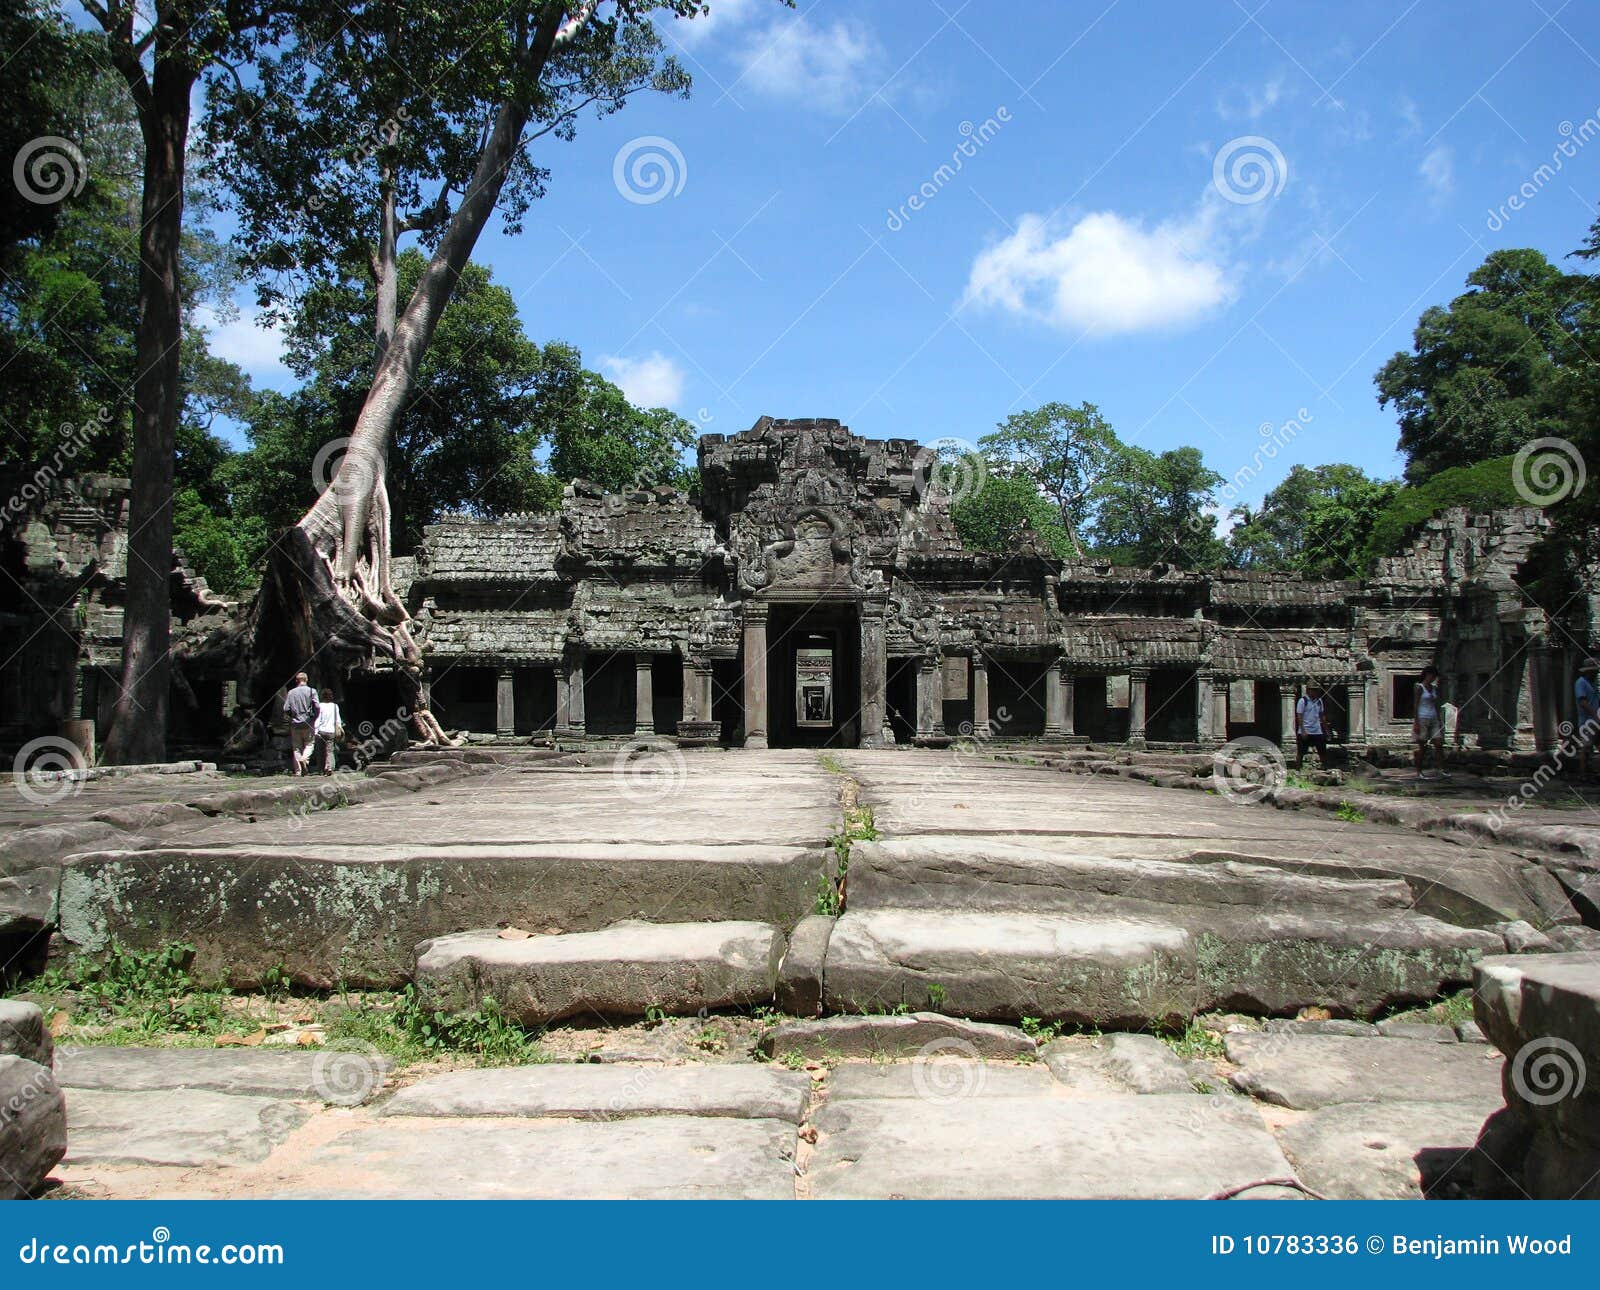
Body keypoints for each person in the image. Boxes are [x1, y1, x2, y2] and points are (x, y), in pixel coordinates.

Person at [1413, 665, 1447, 781]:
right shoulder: (1419, 687)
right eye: (1432, 676)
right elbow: (1416, 705)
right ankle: (1419, 771)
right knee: (1423, 747)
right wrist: (1416, 723)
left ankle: (1441, 769)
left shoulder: (1433, 688)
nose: (1433, 678)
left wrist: (1440, 720)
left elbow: (1436, 705)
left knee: (1438, 744)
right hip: (1422, 718)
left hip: (1433, 718)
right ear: (1427, 675)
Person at [283, 672, 320, 777]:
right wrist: (315, 717)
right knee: (309, 744)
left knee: (296, 747)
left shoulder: (291, 692)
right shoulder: (312, 691)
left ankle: (298, 771)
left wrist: (292, 716)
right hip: (308, 722)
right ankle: (304, 759)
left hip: (295, 723)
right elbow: (317, 706)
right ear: (306, 680)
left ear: (296, 681)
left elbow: (286, 708)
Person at [1294, 682, 1328, 770]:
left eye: (1316, 690)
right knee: (1301, 752)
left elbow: (1321, 716)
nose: (1315, 692)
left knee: (1322, 751)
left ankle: (1324, 767)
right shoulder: (1302, 701)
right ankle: (1298, 768)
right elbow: (1299, 716)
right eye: (1313, 690)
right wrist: (1303, 730)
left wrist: (1326, 730)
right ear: (1308, 690)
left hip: (1317, 731)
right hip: (1305, 730)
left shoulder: (1319, 701)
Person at [1576, 658, 1600, 777]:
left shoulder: (1593, 684)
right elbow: (1583, 702)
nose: (1595, 674)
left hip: (1596, 720)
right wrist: (1595, 714)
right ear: (1587, 672)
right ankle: (1583, 774)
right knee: (1586, 747)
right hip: (1587, 721)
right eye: (1594, 671)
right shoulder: (1581, 682)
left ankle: (1592, 771)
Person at [313, 687, 344, 775]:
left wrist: (315, 730)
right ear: (331, 696)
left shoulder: (320, 706)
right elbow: (338, 720)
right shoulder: (335, 706)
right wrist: (339, 730)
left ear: (322, 696)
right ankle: (329, 767)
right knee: (329, 750)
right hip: (331, 731)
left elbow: (318, 719)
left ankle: (321, 769)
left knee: (320, 751)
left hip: (321, 731)